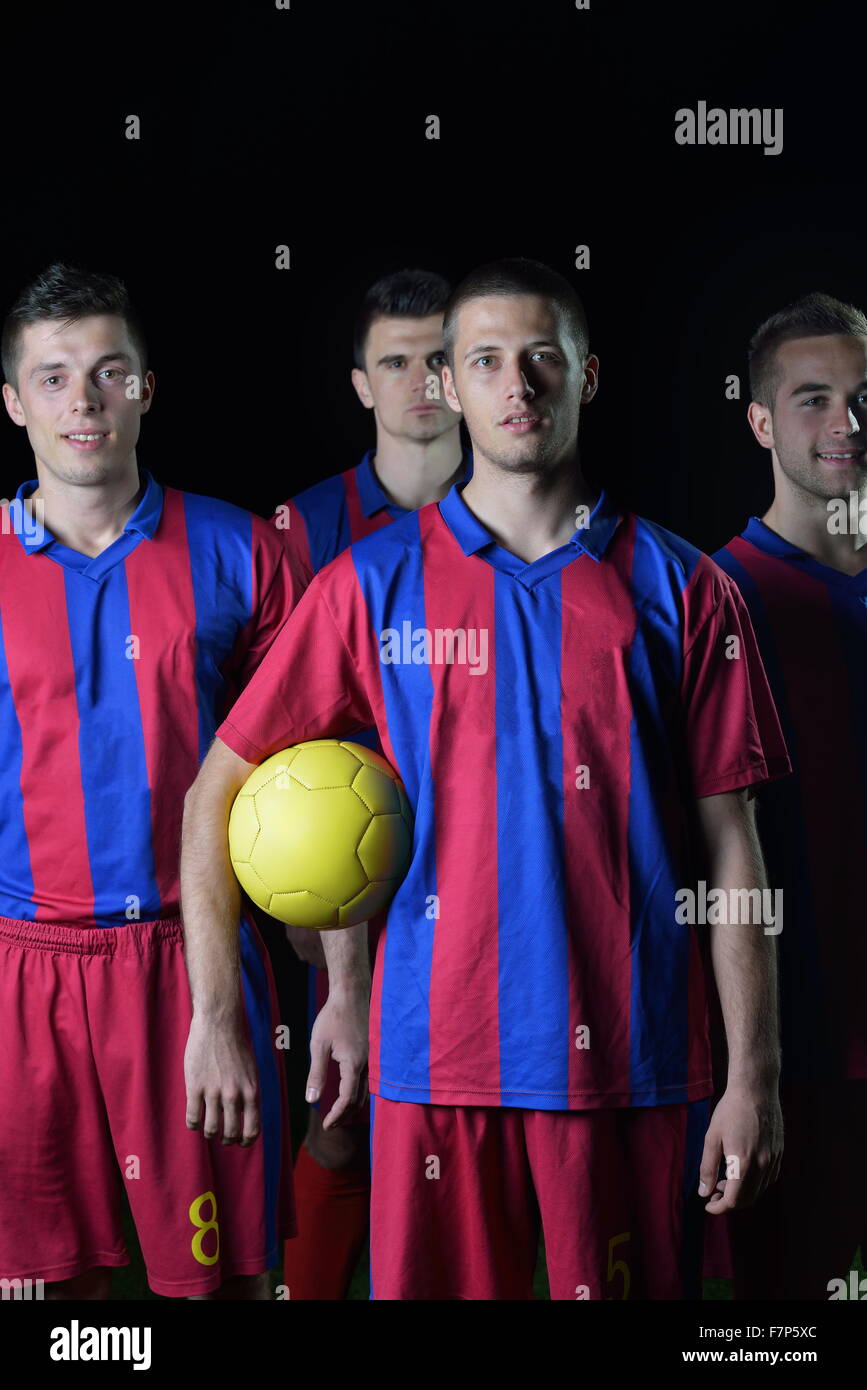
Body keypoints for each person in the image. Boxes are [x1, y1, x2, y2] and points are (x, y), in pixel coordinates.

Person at [182, 258, 790, 1300]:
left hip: (630, 1070)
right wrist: (222, 1013)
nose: (519, 385)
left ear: (588, 374)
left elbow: (734, 848)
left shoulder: (685, 587)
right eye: (487, 361)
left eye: (543, 357)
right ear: (450, 387)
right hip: (432, 1068)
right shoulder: (366, 586)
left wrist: (756, 1077)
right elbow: (215, 794)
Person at [0, 263, 297, 1299]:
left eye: (108, 371)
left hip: (190, 959)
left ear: (147, 387)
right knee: (41, 1292)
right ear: (13, 402)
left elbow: (317, 783)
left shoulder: (242, 550)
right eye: (53, 377)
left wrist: (337, 988)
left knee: (221, 1287)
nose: (83, 400)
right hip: (20, 969)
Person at [273, 268, 469, 1299]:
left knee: (470, 1127)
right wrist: (308, 911)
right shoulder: (303, 532)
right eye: (396, 361)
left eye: (442, 357)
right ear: (361, 383)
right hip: (351, 885)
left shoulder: (526, 509)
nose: (422, 382)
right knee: (343, 1117)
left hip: (482, 870)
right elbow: (265, 740)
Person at [711, 292, 867, 1299]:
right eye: (814, 399)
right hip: (802, 1055)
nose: (846, 424)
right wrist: (747, 1070)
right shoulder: (712, 598)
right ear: (762, 421)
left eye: (862, 397)